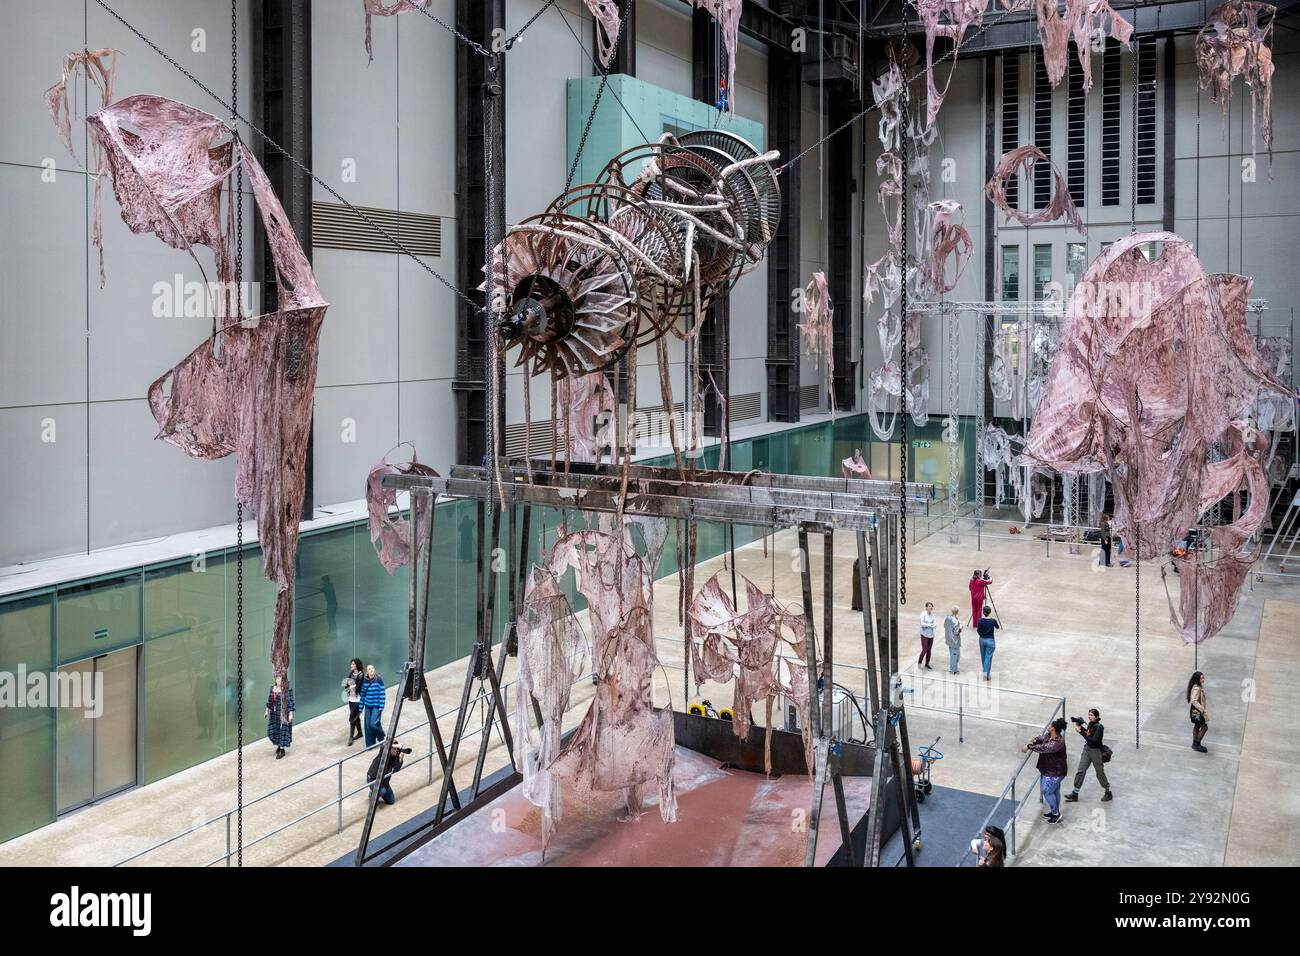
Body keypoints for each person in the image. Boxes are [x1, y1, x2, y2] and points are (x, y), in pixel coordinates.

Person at [1024, 717, 1069, 823]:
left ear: (1053, 729)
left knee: (1047, 791)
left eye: (1050, 726)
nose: (1048, 727)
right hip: (1049, 769)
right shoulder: (1049, 735)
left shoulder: (1057, 742)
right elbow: (1041, 739)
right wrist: (1034, 739)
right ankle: (1055, 811)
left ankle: (1056, 814)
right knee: (1054, 791)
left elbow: (1044, 748)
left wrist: (1029, 746)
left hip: (1055, 772)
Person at [1064, 708, 1112, 802]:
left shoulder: (1099, 727)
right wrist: (1080, 726)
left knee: (1099, 773)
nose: (1090, 717)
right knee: (1081, 770)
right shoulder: (1090, 724)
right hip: (1087, 750)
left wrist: (1080, 731)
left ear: (1097, 717)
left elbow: (1093, 741)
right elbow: (1088, 734)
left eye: (1092, 715)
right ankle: (1075, 793)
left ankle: (1108, 792)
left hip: (1096, 752)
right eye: (1089, 714)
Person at [367, 739, 408, 806]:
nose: (396, 750)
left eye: (396, 749)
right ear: (389, 748)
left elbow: (396, 769)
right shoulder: (383, 754)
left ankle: (378, 792)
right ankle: (372, 794)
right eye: (394, 748)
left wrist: (400, 759)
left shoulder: (395, 756)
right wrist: (395, 745)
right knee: (382, 792)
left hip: (384, 780)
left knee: (391, 801)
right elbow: (383, 746)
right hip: (373, 779)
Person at [264, 674, 294, 759]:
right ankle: (278, 745)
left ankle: (282, 749)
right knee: (274, 730)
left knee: (283, 730)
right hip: (274, 713)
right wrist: (266, 711)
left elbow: (290, 702)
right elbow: (270, 701)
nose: (279, 680)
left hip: (283, 713)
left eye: (280, 679)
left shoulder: (287, 690)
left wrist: (290, 713)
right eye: (277, 678)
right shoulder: (272, 689)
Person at [359, 664, 387, 748]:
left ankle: (382, 738)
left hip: (376, 706)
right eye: (369, 669)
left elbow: (382, 693)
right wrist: (360, 708)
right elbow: (363, 695)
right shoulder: (365, 680)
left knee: (373, 724)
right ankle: (370, 745)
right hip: (368, 706)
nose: (371, 670)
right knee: (367, 726)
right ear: (366, 672)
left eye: (372, 668)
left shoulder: (379, 679)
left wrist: (381, 707)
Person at [343, 658, 365, 746]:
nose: (351, 665)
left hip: (358, 700)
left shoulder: (361, 675)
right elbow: (346, 687)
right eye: (351, 664)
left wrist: (353, 686)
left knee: (352, 718)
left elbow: (361, 688)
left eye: (352, 664)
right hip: (351, 699)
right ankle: (360, 733)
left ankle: (351, 737)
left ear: (356, 665)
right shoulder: (351, 674)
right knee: (356, 717)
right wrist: (349, 687)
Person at [976, 605, 1000, 681]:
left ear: (983, 612)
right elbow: (997, 627)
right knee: (988, 658)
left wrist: (981, 634)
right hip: (990, 640)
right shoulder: (993, 621)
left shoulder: (980, 620)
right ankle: (986, 674)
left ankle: (986, 673)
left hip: (982, 640)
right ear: (989, 612)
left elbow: (978, 631)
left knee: (983, 657)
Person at [1188, 670, 1210, 753]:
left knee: (1197, 725)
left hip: (1195, 710)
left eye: (1203, 677)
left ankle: (1195, 743)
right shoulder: (1197, 688)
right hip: (1197, 711)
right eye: (1201, 678)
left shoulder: (1197, 686)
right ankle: (1197, 744)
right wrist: (1202, 709)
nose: (1203, 679)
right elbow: (1193, 700)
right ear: (1197, 679)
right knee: (1204, 727)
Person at [943, 604, 963, 674]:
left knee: (952, 654)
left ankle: (952, 668)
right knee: (955, 655)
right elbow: (956, 632)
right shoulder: (956, 621)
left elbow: (945, 626)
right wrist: (960, 628)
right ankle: (953, 670)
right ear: (957, 612)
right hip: (955, 641)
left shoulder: (947, 618)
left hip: (948, 639)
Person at [918, 602, 937, 670]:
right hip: (924, 635)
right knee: (924, 650)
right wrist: (930, 625)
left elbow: (935, 625)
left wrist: (929, 625)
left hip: (931, 635)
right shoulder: (923, 614)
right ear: (926, 607)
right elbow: (922, 624)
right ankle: (919, 663)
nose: (930, 607)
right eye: (929, 606)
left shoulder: (933, 615)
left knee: (929, 650)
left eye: (931, 606)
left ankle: (927, 664)